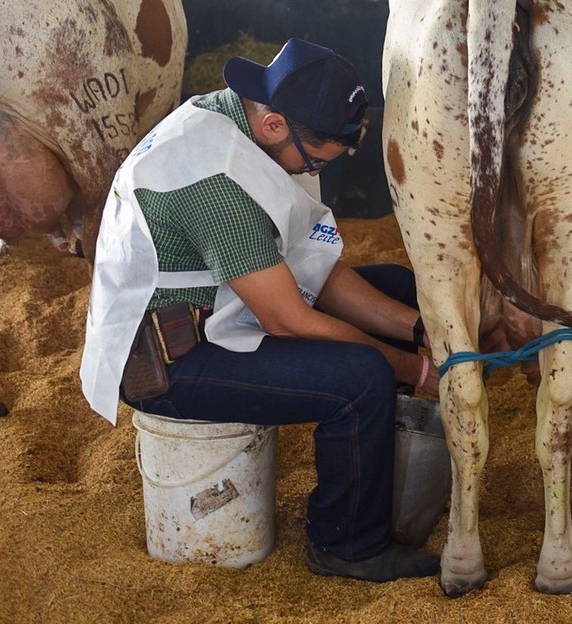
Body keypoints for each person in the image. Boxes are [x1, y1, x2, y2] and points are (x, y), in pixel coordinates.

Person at [80, 38, 440, 582]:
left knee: (396, 287)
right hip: (171, 362)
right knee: (364, 378)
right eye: (316, 161)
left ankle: (379, 468)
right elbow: (289, 320)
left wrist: (418, 330)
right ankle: (346, 545)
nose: (315, 171)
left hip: (223, 306)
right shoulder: (213, 178)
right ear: (275, 125)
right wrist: (415, 367)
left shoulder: (251, 125)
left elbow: (314, 266)